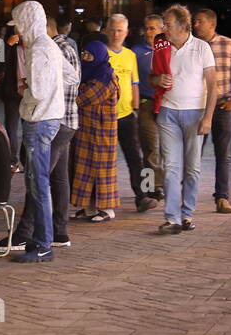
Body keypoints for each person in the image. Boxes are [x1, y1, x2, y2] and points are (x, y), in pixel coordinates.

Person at [12, 0, 78, 263]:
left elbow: (37, 92)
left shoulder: (37, 49)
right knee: (42, 182)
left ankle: (43, 243)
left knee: (38, 184)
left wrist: (26, 90)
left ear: (26, 22)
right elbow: (72, 76)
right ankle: (42, 238)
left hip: (39, 120)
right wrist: (48, 86)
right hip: (53, 119)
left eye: (18, 23)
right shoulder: (50, 44)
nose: (17, 29)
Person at [152, 4, 217, 234]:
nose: (163, 29)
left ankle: (187, 214)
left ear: (182, 26)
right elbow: (152, 78)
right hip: (168, 112)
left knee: (192, 168)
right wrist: (157, 80)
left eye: (167, 25)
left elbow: (213, 85)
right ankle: (172, 218)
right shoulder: (161, 46)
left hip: (195, 113)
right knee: (170, 167)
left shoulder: (201, 48)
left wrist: (207, 117)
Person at [193, 8, 231, 213]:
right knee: (192, 153)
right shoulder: (191, 46)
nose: (196, 25)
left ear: (212, 24)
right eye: (195, 22)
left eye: (200, 21)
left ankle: (222, 197)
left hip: (223, 106)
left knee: (223, 154)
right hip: (198, 106)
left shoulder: (228, 44)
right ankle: (187, 195)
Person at [106, 13, 155, 211]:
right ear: (106, 31)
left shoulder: (130, 55)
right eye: (113, 30)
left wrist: (135, 108)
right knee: (106, 160)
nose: (116, 34)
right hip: (105, 117)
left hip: (127, 115)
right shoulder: (100, 53)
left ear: (127, 33)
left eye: (120, 30)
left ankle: (142, 196)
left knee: (136, 157)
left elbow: (134, 84)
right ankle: (103, 201)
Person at [69, 40, 121, 223]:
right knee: (84, 169)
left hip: (101, 133)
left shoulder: (105, 76)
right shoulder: (90, 75)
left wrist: (72, 90)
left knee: (101, 170)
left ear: (99, 56)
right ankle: (88, 207)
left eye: (89, 55)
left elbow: (83, 98)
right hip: (87, 131)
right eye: (83, 54)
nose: (85, 58)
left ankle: (107, 209)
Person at [132, 14, 165, 203]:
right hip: (146, 104)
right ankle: (151, 188)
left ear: (162, 30)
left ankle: (164, 184)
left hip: (167, 105)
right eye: (146, 28)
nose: (148, 32)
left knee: (166, 149)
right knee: (150, 148)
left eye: (153, 28)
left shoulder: (170, 50)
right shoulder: (136, 52)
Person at [0, 24, 24, 169]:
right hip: (12, 93)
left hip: (28, 93)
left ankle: (24, 160)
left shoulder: (34, 48)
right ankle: (13, 159)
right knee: (12, 127)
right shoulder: (9, 47)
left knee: (27, 128)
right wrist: (7, 45)